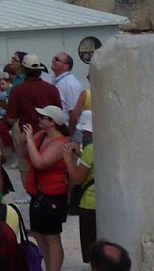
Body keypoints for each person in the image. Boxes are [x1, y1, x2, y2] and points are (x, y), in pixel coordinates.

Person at [21, 104, 73, 271]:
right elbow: (25, 155)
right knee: (38, 233)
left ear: (52, 122)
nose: (39, 119)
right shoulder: (41, 136)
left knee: (52, 236)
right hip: (38, 193)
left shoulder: (60, 143)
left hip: (53, 194)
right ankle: (49, 266)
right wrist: (26, 141)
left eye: (43, 117)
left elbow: (40, 163)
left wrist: (29, 140)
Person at [7, 53, 64, 139]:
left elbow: (11, 119)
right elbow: (59, 115)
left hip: (27, 136)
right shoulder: (52, 89)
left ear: (23, 69)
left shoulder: (17, 90)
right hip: (49, 137)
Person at [70, 111, 96, 266]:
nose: (85, 134)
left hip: (90, 203)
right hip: (105, 203)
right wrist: (80, 154)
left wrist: (68, 160)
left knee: (91, 247)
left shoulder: (90, 149)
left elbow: (77, 179)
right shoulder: (106, 147)